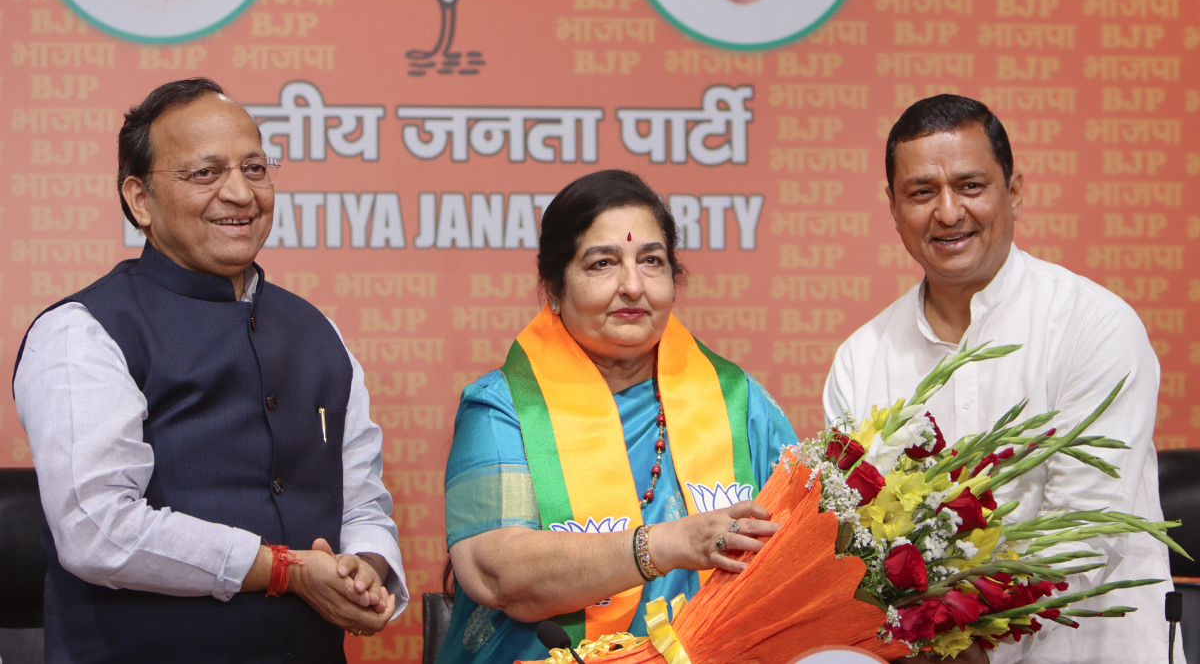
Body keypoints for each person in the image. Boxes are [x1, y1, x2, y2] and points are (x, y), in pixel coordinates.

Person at [13, 77, 407, 662]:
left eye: (255, 169)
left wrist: (366, 568)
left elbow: (363, 502)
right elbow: (97, 529)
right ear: (140, 199)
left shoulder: (318, 333)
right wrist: (284, 569)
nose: (241, 194)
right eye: (205, 173)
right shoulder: (84, 331)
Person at [823, 94, 1178, 663]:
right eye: (922, 192)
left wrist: (966, 635)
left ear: (1013, 191)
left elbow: (1081, 534)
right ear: (893, 206)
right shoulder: (861, 359)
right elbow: (853, 543)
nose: (948, 213)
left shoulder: (1093, 325)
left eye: (970, 186)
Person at [437, 169, 799, 663]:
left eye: (651, 261)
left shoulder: (738, 401)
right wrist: (667, 544)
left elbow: (801, 547)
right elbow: (497, 573)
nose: (632, 286)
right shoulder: (504, 408)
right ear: (554, 288)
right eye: (602, 263)